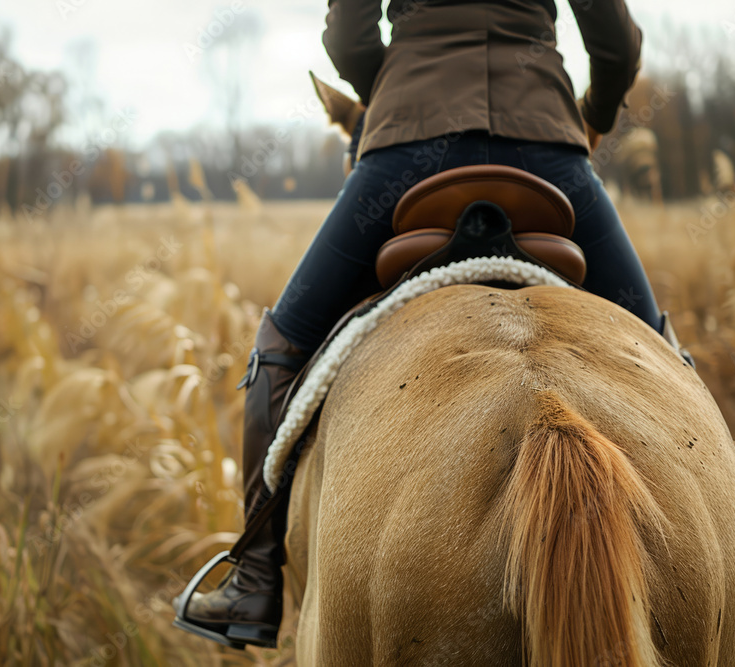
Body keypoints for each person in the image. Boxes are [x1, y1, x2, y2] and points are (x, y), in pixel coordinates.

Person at [178, 0, 671, 647]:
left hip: (408, 148)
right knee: (657, 345)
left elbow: (347, 34)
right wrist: (594, 115)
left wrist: (403, 87)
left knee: (281, 343)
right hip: (546, 144)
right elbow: (614, 40)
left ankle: (256, 579)